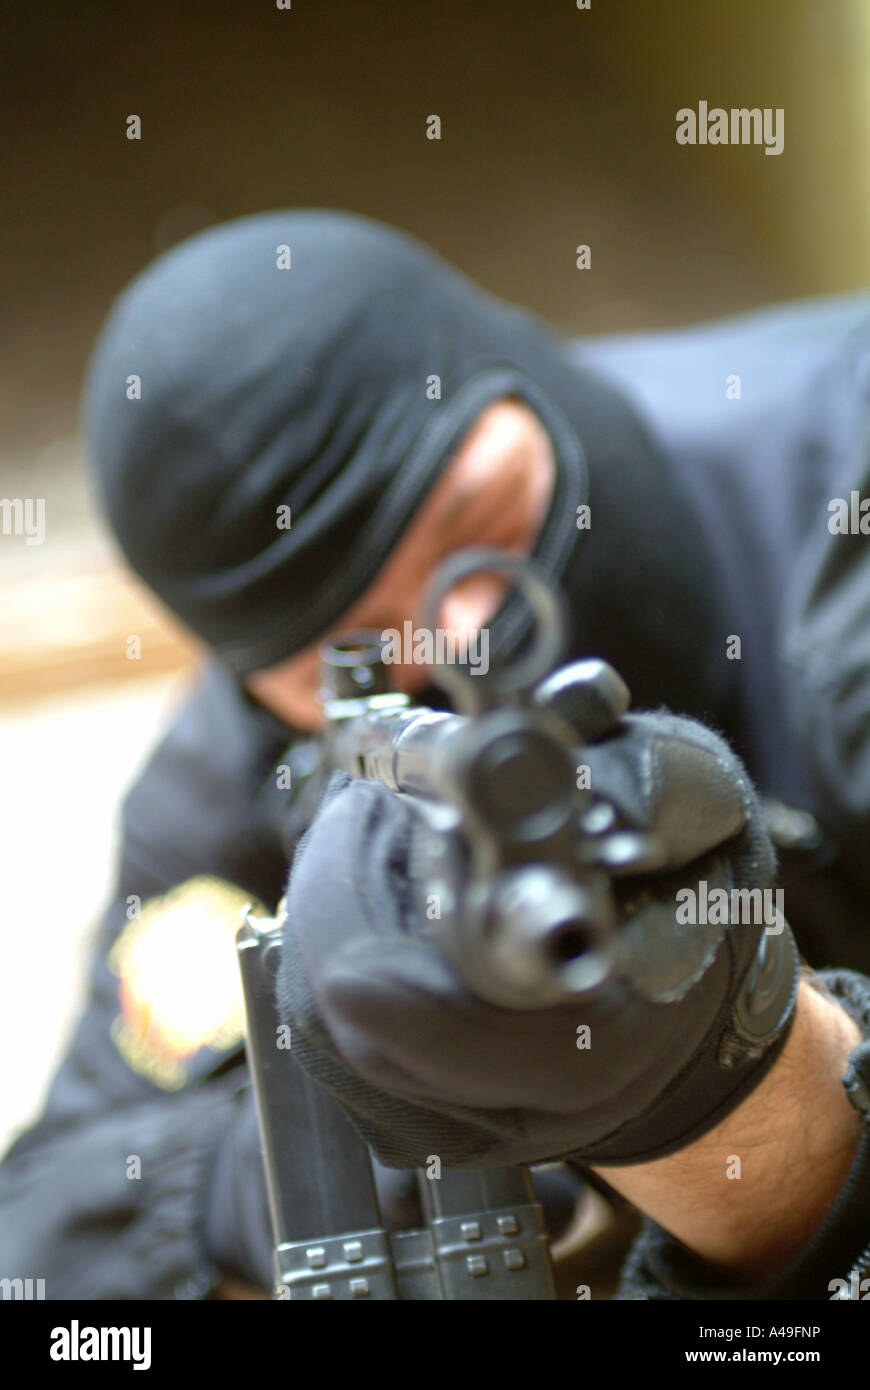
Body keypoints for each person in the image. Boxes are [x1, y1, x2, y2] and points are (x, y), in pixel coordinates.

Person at [2, 210, 870, 1301]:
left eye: (486, 520)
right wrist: (297, 1153)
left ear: (536, 373)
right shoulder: (236, 768)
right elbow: (38, 1233)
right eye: (355, 647)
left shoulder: (844, 498)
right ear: (257, 682)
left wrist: (750, 1070)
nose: (460, 638)